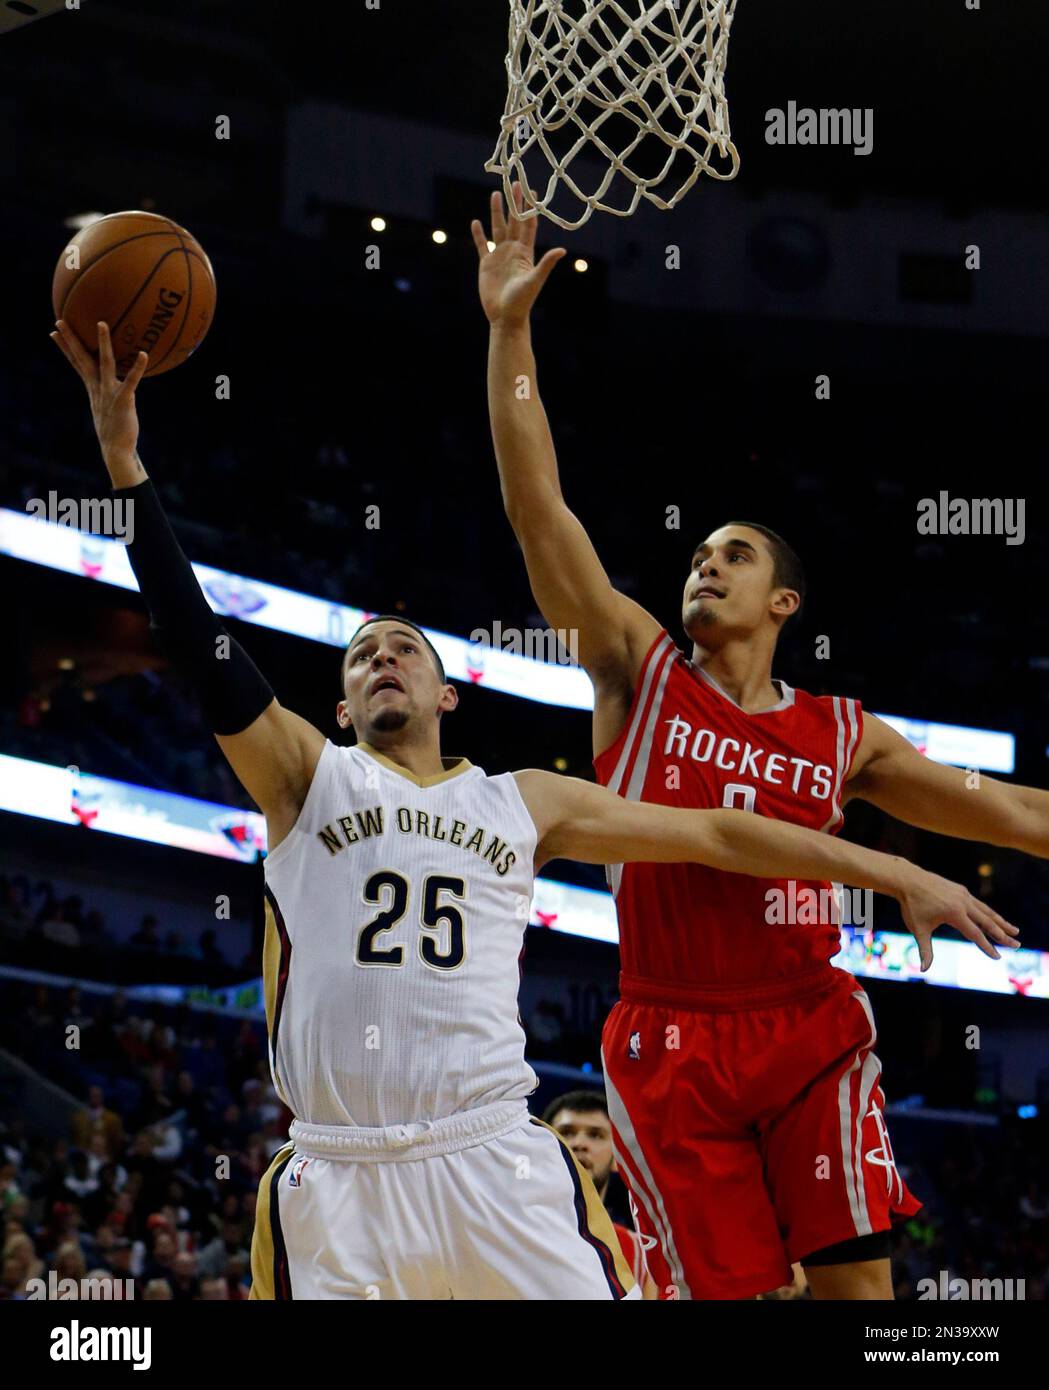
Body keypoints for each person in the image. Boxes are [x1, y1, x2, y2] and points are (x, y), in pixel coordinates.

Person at [51, 318, 1014, 1301]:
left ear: (446, 692)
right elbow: (197, 637)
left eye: (405, 649)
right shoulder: (305, 776)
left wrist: (896, 870)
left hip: (494, 1158)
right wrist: (128, 471)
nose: (384, 656)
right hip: (339, 1171)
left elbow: (722, 833)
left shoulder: (522, 800)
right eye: (362, 654)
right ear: (339, 707)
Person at [474, 185, 1032, 1300]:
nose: (704, 564)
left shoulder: (841, 732)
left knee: (856, 1296)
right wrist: (508, 333)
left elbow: (1015, 814)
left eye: (733, 556)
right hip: (666, 1032)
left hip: (805, 1024)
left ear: (783, 602)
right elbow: (541, 517)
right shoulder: (638, 670)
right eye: (698, 554)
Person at [544, 1090, 658, 1297]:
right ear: (541, 1148)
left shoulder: (643, 1255)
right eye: (566, 1132)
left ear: (617, 1159)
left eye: (596, 1135)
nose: (579, 1143)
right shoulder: (507, 1230)